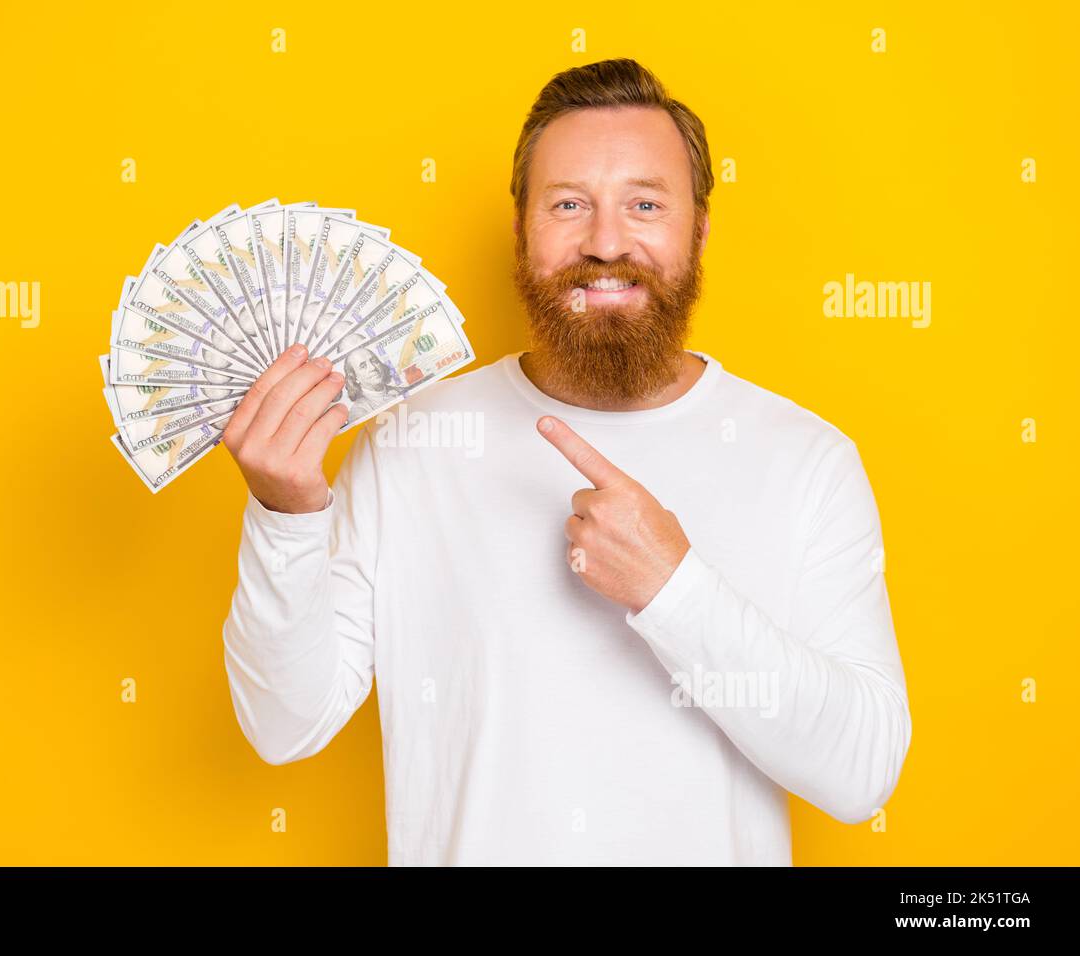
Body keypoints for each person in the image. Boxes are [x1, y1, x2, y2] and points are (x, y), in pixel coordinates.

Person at [219, 58, 912, 865]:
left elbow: (862, 774)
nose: (607, 242)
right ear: (521, 230)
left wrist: (673, 588)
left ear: (698, 229)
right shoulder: (411, 442)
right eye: (569, 205)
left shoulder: (807, 462)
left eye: (645, 204)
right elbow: (282, 725)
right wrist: (285, 517)